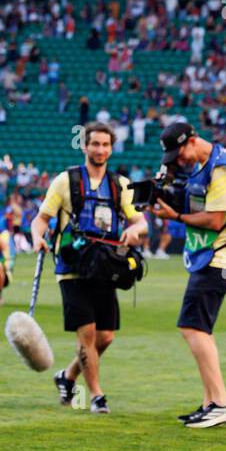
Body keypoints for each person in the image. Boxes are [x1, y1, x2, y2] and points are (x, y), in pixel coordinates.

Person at [30, 123, 148, 415]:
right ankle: (97, 395)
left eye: (106, 145)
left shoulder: (119, 184)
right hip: (73, 268)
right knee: (87, 334)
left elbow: (140, 222)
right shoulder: (65, 181)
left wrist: (137, 232)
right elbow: (41, 219)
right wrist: (37, 237)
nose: (100, 150)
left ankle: (68, 377)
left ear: (111, 147)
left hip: (106, 267)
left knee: (105, 337)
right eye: (95, 144)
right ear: (85, 146)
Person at [150, 122, 226, 429]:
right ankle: (210, 402)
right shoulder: (204, 164)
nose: (178, 160)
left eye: (179, 152)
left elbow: (214, 219)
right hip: (212, 256)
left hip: (219, 255)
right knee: (200, 329)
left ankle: (222, 403)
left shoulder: (221, 170)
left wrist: (177, 217)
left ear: (193, 140)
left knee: (191, 327)